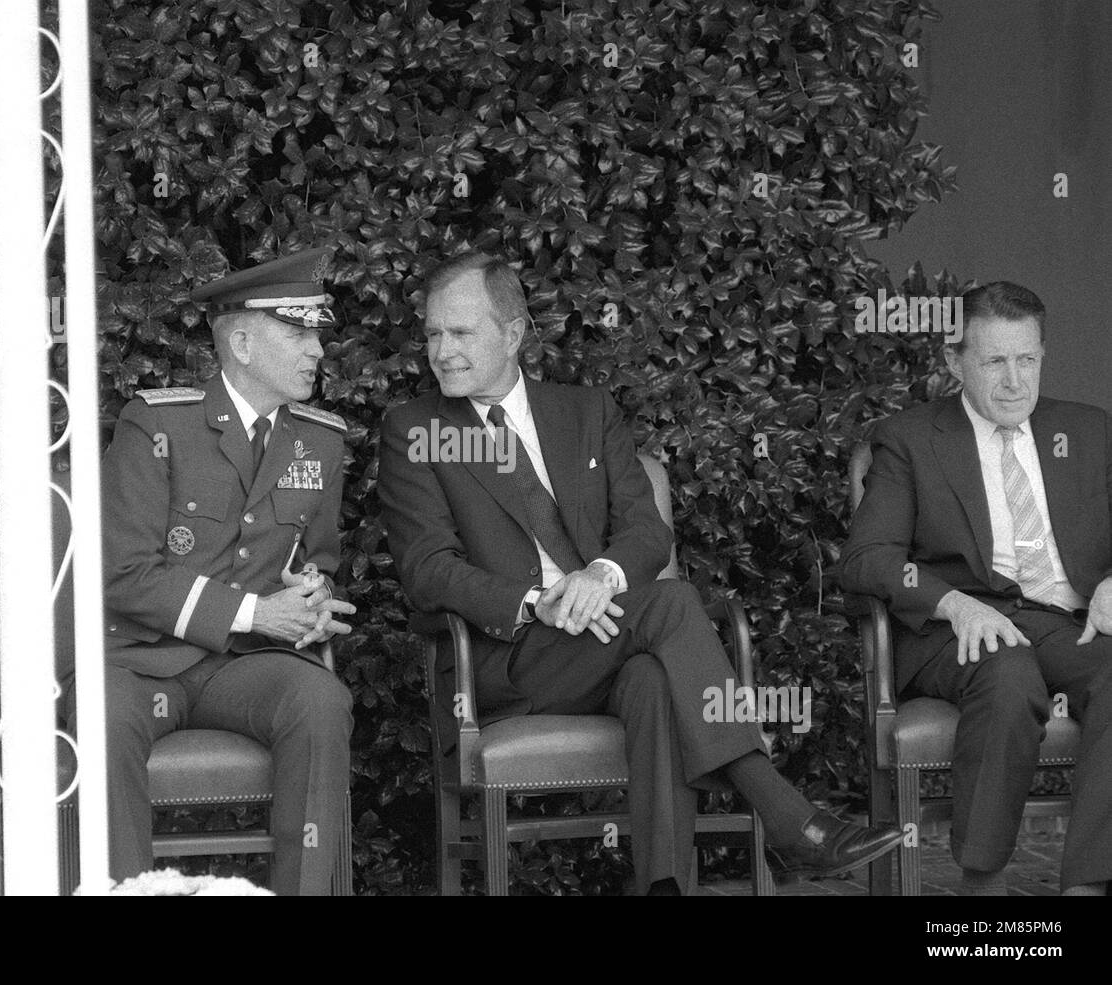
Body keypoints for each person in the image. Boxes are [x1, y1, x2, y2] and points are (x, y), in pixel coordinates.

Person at [377, 251, 901, 895]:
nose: (441, 350)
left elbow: (646, 530)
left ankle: (664, 886)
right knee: (675, 604)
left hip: (613, 642)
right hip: (510, 656)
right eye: (432, 333)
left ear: (512, 333)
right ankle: (791, 821)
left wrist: (600, 573)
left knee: (653, 680)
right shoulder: (416, 429)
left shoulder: (586, 412)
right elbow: (428, 570)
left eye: (460, 333)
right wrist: (539, 601)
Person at [92, 244, 356, 894]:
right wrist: (257, 611)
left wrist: (313, 594)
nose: (317, 349)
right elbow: (123, 576)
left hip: (241, 666)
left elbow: (314, 562)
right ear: (241, 341)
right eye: (296, 331)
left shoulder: (319, 441)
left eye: (316, 332)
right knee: (101, 723)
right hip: (138, 661)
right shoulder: (156, 423)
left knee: (321, 699)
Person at [841, 281, 1112, 896]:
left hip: (1069, 623)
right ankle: (982, 889)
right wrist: (953, 603)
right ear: (953, 360)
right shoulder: (910, 439)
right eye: (994, 361)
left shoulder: (1088, 431)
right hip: (959, 627)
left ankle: (1088, 887)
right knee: (1008, 671)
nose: (1015, 381)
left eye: (1028, 360)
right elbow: (867, 559)